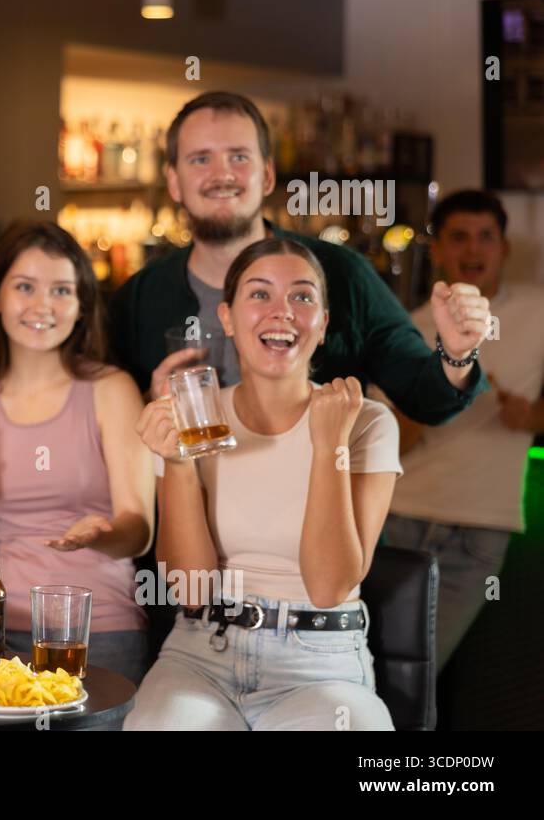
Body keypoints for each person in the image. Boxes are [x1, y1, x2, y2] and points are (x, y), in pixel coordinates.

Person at [126, 237, 421, 731]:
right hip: (202, 654)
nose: (282, 311)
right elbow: (189, 591)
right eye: (260, 294)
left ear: (323, 324)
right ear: (226, 317)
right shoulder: (193, 416)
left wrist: (329, 447)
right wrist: (176, 463)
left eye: (302, 297)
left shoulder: (367, 423)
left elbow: (329, 587)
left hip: (321, 665)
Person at [108, 91, 491, 419]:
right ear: (173, 181)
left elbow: (426, 398)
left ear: (268, 175)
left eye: (239, 157)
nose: (221, 174)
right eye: (200, 159)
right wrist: (144, 404)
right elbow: (98, 421)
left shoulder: (341, 274)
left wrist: (456, 354)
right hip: (183, 505)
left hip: (314, 504)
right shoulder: (138, 299)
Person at [0, 221, 155, 686]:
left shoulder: (111, 390)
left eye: (62, 290)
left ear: (81, 307)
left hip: (97, 632)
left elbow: (137, 531)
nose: (43, 305)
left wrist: (99, 534)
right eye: (25, 287)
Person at [379, 190, 544, 671]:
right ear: (438, 250)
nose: (473, 250)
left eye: (485, 238)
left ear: (504, 248)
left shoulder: (537, 313)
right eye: (459, 238)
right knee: (381, 670)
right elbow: (389, 445)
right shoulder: (406, 329)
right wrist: (436, 391)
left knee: (414, 675)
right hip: (400, 519)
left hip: (481, 525)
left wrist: (532, 417)